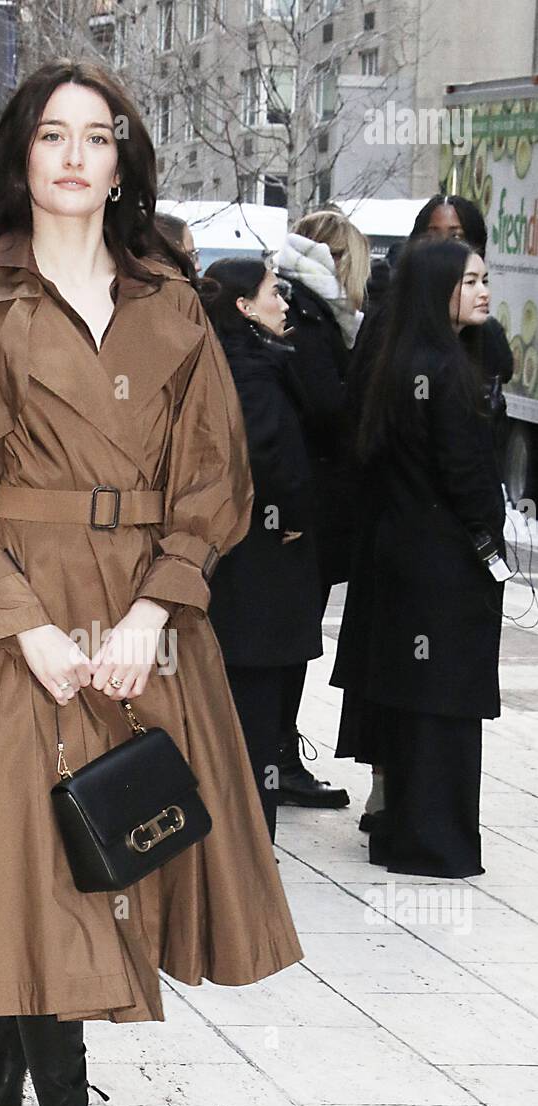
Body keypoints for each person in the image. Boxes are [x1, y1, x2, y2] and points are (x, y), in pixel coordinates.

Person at [0, 60, 303, 1106]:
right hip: (8, 632)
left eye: (97, 137)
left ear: (121, 162)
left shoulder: (173, 311)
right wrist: (25, 629)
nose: (73, 156)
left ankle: (8, 1041)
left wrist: (152, 614)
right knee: (40, 871)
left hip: (140, 624)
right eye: (51, 135)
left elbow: (214, 479)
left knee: (105, 861)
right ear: (20, 156)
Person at [330, 236, 505, 877]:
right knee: (443, 706)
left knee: (415, 701)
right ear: (439, 291)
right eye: (471, 281)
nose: (484, 291)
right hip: (444, 567)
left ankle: (407, 833)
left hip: (405, 557)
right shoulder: (442, 372)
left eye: (486, 278)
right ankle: (435, 842)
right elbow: (467, 482)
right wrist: (492, 553)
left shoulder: (402, 361)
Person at [202, 257, 324, 842]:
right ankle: (248, 846)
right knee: (252, 715)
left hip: (242, 571)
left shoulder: (229, 361)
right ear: (245, 307)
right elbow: (267, 460)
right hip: (256, 571)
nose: (285, 304)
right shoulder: (250, 370)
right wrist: (295, 511)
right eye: (275, 293)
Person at [272, 209, 370, 810]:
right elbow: (330, 413)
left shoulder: (301, 310)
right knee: (293, 637)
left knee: (295, 634)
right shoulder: (311, 320)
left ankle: (279, 754)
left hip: (299, 508)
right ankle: (278, 758)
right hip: (301, 510)